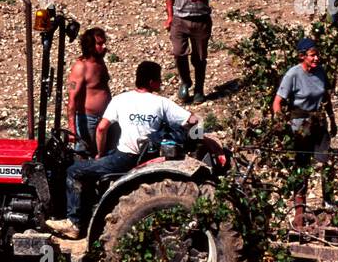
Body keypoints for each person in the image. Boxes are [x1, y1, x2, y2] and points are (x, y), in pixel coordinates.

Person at [48, 59, 221, 240]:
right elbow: (194, 120)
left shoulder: (121, 99)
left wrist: (99, 153)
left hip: (124, 159)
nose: (161, 82)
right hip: (146, 158)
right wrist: (207, 141)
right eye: (159, 79)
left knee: (74, 171)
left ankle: (74, 223)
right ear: (152, 82)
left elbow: (101, 129)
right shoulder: (162, 103)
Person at [272, 38, 337, 233]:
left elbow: (326, 98)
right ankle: (299, 214)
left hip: (319, 122)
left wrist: (332, 119)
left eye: (317, 55)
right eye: (312, 55)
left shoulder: (320, 72)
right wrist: (282, 126)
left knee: (326, 163)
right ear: (302, 57)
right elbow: (277, 103)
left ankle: (329, 205)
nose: (316, 58)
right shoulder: (293, 74)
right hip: (300, 126)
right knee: (301, 168)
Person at [164, 0, 222, 104]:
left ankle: (199, 89)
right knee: (178, 53)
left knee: (200, 57)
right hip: (179, 19)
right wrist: (169, 16)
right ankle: (185, 81)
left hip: (201, 19)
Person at [66, 27, 111, 157]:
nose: (104, 46)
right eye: (100, 44)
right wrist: (72, 130)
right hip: (87, 119)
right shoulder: (81, 67)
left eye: (104, 43)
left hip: (104, 117)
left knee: (102, 154)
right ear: (90, 45)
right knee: (84, 155)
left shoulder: (100, 62)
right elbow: (72, 100)